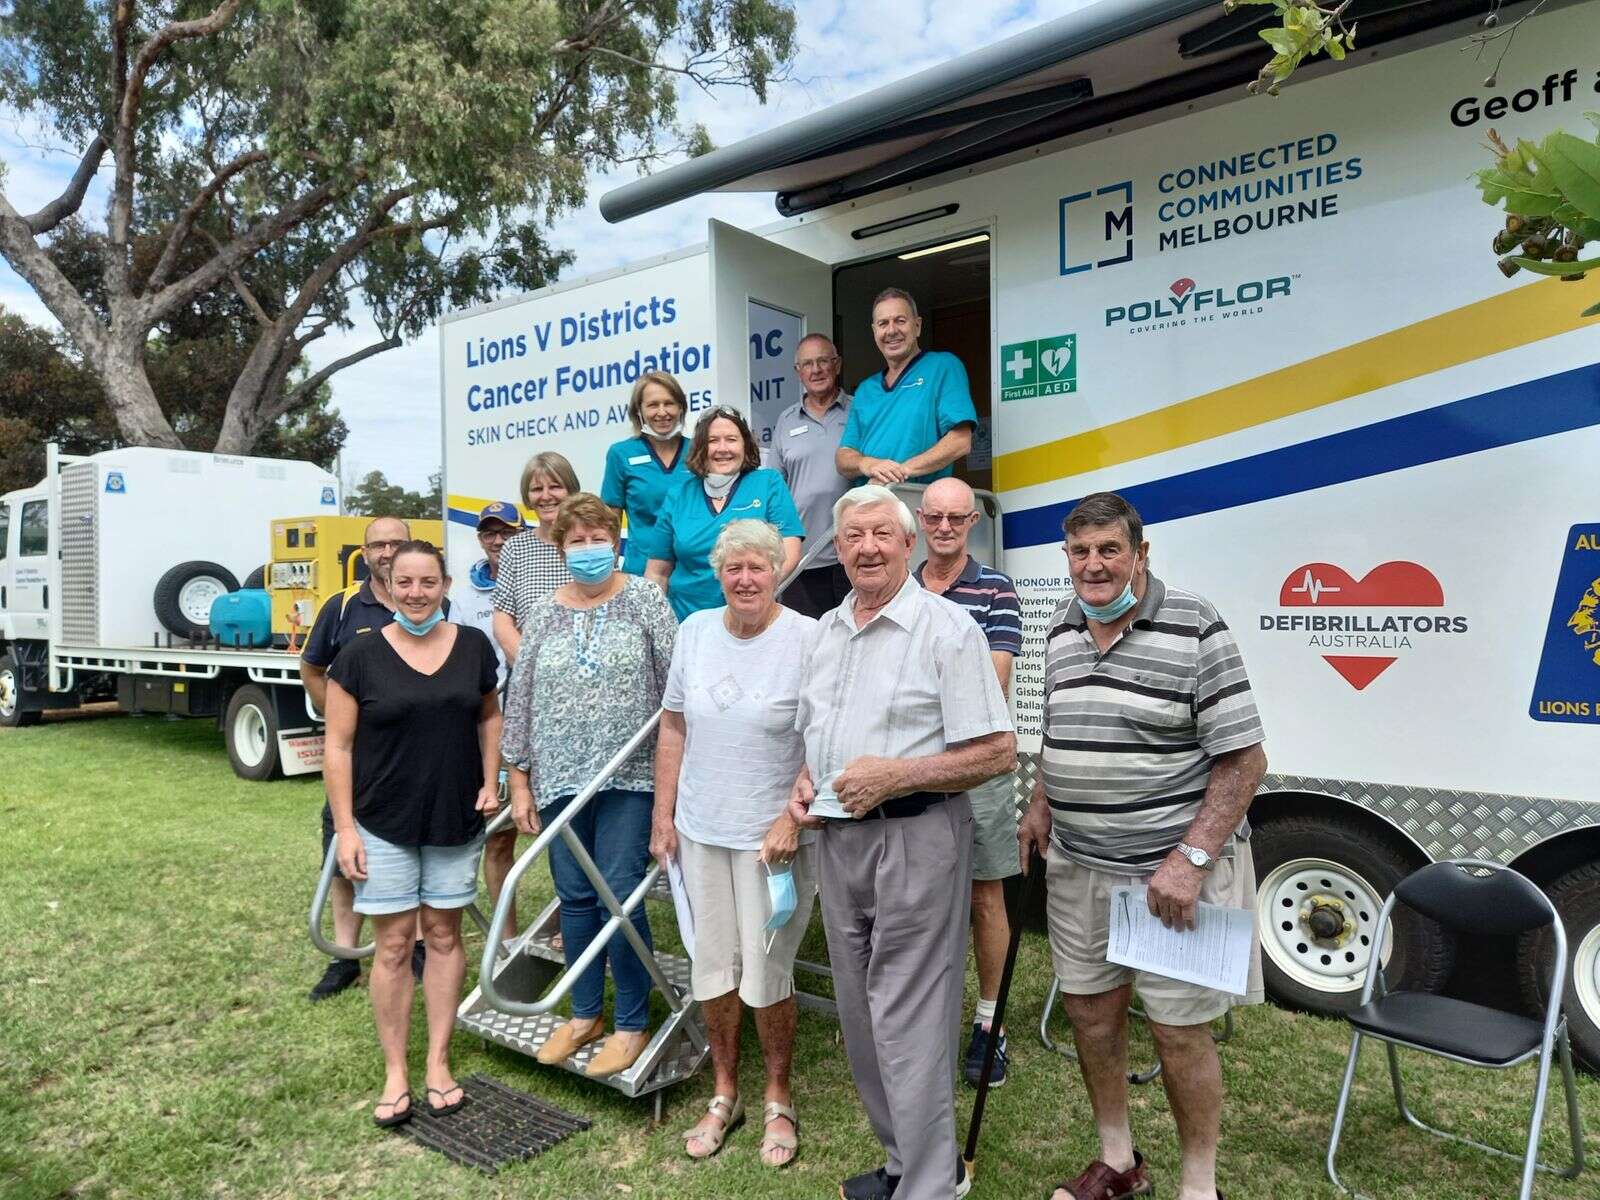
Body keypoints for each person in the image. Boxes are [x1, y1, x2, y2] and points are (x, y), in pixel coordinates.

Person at [1016, 492, 1268, 1200]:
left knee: (1177, 1030)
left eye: (1109, 549)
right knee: (1091, 1015)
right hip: (1079, 867)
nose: (1093, 565)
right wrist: (1041, 802)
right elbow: (1061, 732)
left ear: (1140, 553)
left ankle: (1199, 1186)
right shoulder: (1061, 628)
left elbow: (1244, 760)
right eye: (1080, 551)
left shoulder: (1195, 624)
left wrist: (1191, 859)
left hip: (1168, 879)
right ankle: (1119, 1160)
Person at [789, 484, 1016, 1200]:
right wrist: (805, 780)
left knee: (909, 1016)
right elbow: (816, 732)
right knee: (861, 1015)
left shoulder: (948, 630)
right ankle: (902, 1162)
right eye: (853, 536)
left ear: (909, 544)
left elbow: (998, 752)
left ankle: (928, 1185)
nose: (867, 548)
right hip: (839, 840)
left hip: (917, 837)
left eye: (881, 534)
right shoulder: (826, 631)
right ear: (838, 547)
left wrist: (897, 775)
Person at [650, 520, 817, 1167]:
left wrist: (792, 818)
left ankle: (778, 1094)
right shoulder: (694, 632)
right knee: (712, 967)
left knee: (768, 970)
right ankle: (725, 1091)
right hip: (700, 830)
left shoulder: (806, 638)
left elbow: (824, 738)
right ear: (718, 575)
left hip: (770, 842)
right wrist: (663, 816)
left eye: (757, 567)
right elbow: (673, 726)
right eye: (733, 568)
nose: (745, 579)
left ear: (778, 570)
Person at [323, 540, 502, 1126]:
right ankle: (396, 1071)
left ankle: (438, 1064)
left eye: (428, 582)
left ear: (445, 586)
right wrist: (345, 829)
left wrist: (491, 780)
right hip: (382, 821)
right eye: (405, 582)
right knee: (396, 944)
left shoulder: (473, 647)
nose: (417, 593)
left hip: (454, 817)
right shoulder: (358, 656)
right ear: (388, 586)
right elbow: (338, 747)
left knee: (444, 937)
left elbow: (489, 715)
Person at [502, 493, 678, 1079]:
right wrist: (519, 780)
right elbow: (520, 698)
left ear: (615, 540)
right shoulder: (542, 613)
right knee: (574, 896)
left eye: (597, 538)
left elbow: (677, 689)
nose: (588, 549)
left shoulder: (646, 599)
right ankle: (584, 1014)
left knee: (618, 895)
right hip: (559, 779)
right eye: (576, 540)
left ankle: (631, 1021)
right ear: (561, 548)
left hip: (630, 775)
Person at [912, 477, 1023, 1089]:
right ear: (920, 521)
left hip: (976, 765)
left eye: (957, 518)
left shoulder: (997, 589)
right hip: (914, 769)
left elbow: (992, 682)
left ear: (973, 522)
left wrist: (915, 716)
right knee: (919, 897)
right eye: (935, 517)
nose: (945, 528)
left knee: (985, 896)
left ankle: (989, 1024)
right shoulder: (902, 587)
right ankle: (923, 1019)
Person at [301, 515, 430, 1001]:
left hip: (417, 757)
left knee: (418, 847)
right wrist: (339, 717)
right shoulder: (342, 606)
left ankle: (418, 946)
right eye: (378, 545)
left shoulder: (431, 602)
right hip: (356, 760)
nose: (387, 551)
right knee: (342, 855)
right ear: (365, 551)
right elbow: (311, 667)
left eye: (396, 543)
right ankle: (345, 956)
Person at [644, 407, 805, 620]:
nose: (722, 448)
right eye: (712, 441)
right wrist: (654, 623)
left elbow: (789, 552)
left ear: (745, 444)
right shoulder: (679, 496)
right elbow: (657, 573)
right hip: (686, 621)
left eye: (731, 439)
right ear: (700, 447)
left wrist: (750, 595)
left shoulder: (768, 483)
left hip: (752, 618)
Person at [453, 500, 524, 940]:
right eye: (489, 533)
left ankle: (568, 926)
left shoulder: (539, 582)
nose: (497, 540)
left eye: (506, 532)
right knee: (499, 836)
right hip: (491, 727)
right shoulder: (465, 597)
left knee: (564, 832)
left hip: (537, 724)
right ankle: (507, 939)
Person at [835, 288, 976, 486]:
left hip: (917, 498)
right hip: (869, 499)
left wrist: (897, 473)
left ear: (917, 326)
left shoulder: (943, 366)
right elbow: (843, 457)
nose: (891, 330)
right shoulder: (865, 390)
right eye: (883, 323)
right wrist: (868, 464)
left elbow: (960, 441)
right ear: (875, 331)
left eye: (900, 321)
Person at [773, 333, 854, 619]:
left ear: (837, 364)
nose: (816, 370)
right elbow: (775, 489)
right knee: (807, 638)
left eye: (823, 361)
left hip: (853, 553)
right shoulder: (785, 420)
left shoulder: (859, 410)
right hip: (802, 558)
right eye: (807, 364)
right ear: (798, 372)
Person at [492, 450, 579, 663]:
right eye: (537, 489)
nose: (546, 496)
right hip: (529, 670)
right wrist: (532, 666)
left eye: (555, 486)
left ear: (571, 491)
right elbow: (502, 622)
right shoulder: (515, 548)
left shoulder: (588, 542)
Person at [602, 371, 692, 575]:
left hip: (691, 573)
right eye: (653, 405)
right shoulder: (621, 454)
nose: (662, 412)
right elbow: (609, 523)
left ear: (681, 407)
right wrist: (609, 571)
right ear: (639, 411)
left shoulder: (699, 451)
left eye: (669, 403)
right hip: (641, 572)